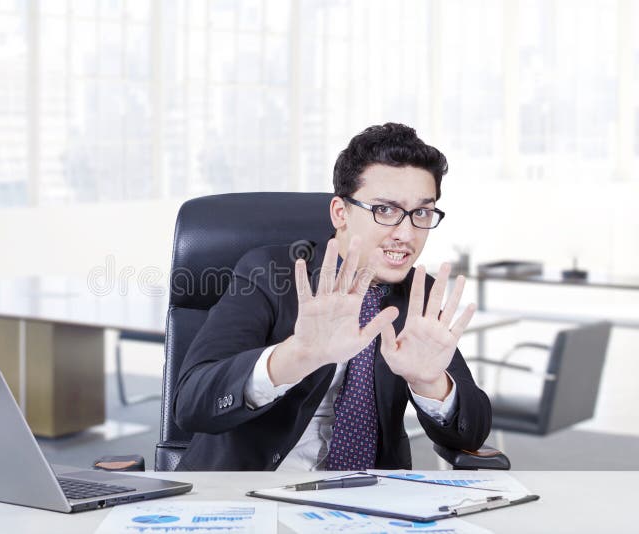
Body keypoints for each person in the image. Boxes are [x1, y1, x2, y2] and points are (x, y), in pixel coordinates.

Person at [172, 123, 491, 471]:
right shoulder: (268, 273)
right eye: (385, 210)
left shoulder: (418, 295)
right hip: (254, 494)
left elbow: (470, 436)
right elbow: (190, 404)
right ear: (340, 213)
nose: (406, 233)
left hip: (368, 501)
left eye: (422, 213)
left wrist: (429, 382)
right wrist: (294, 356)